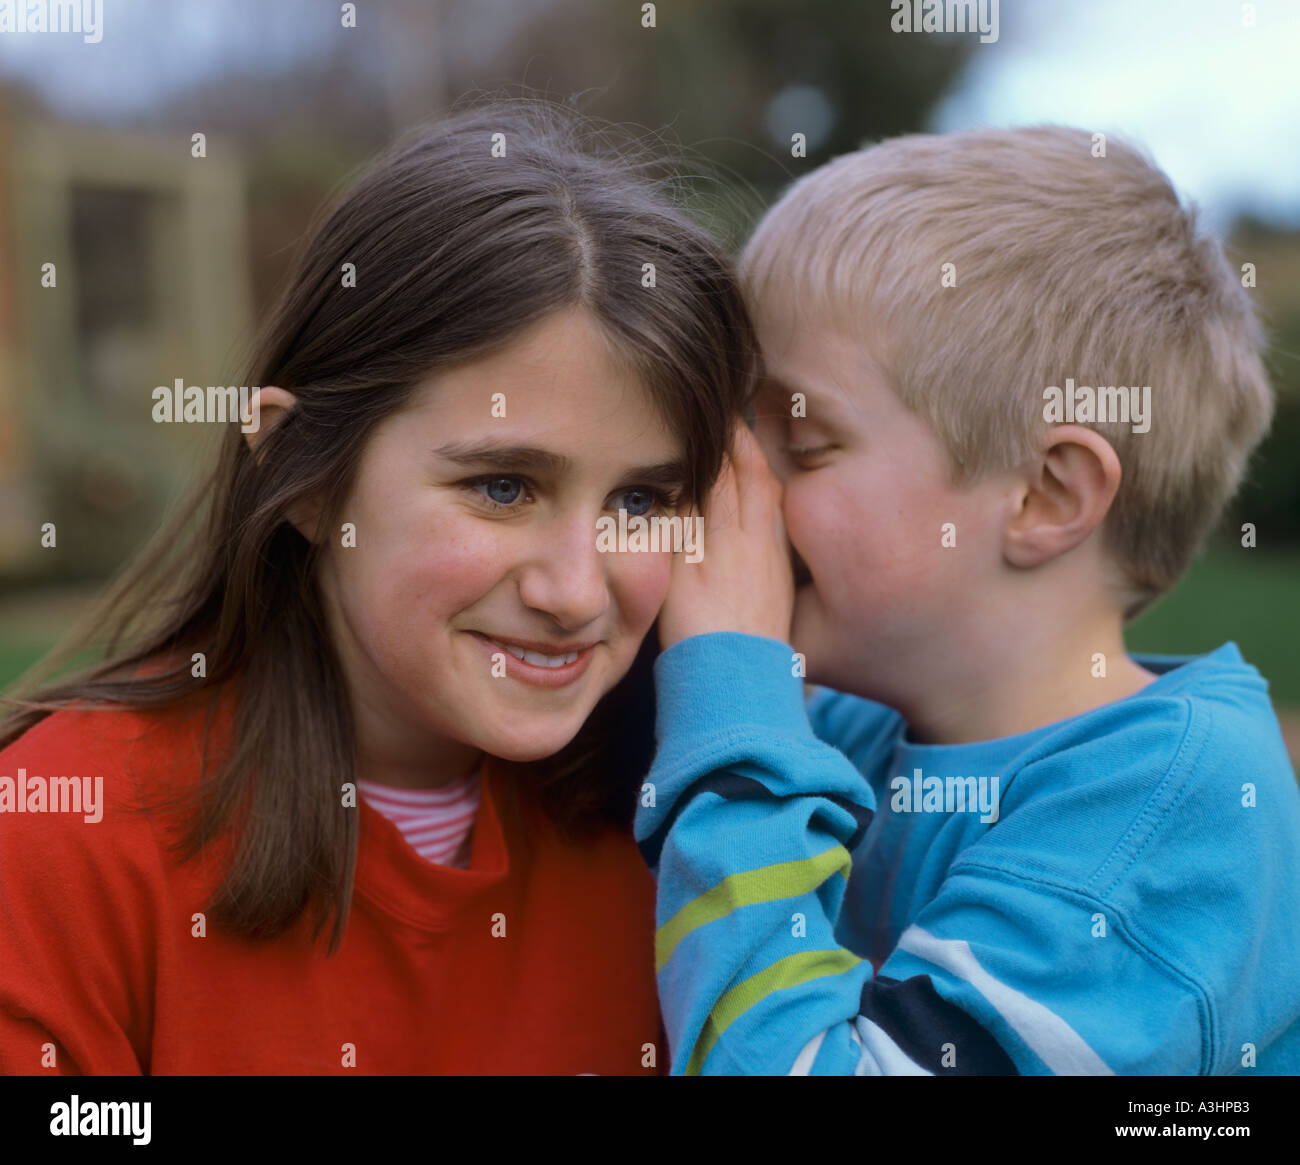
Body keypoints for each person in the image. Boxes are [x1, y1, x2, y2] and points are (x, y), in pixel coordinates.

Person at [0, 100, 758, 1075]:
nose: (574, 589)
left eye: (642, 500)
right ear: (304, 474)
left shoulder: (700, 838)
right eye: (501, 486)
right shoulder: (61, 832)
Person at [636, 126, 1300, 1075]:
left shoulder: (1169, 810)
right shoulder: (859, 731)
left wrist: (731, 701)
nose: (737, 478)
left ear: (1044, 497)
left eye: (805, 440)